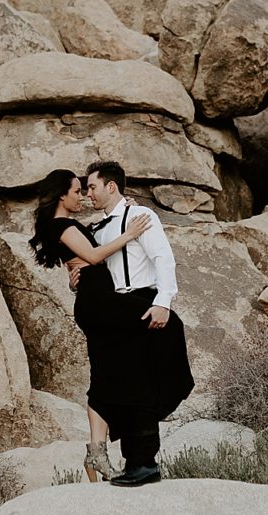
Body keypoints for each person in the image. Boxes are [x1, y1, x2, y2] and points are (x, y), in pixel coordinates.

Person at [28, 168, 152, 482]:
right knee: (112, 373)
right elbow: (95, 256)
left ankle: (96, 454)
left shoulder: (67, 226)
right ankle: (99, 452)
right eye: (77, 191)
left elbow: (87, 255)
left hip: (96, 301)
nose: (82, 196)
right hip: (98, 305)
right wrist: (130, 234)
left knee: (107, 374)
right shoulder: (61, 224)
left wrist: (123, 208)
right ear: (62, 195)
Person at [79, 159, 193, 486]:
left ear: (110, 186)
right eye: (85, 189)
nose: (89, 194)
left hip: (142, 304)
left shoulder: (140, 216)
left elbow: (162, 258)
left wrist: (162, 302)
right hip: (115, 311)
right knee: (123, 388)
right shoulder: (97, 229)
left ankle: (144, 464)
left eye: (92, 187)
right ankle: (135, 464)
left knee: (141, 387)